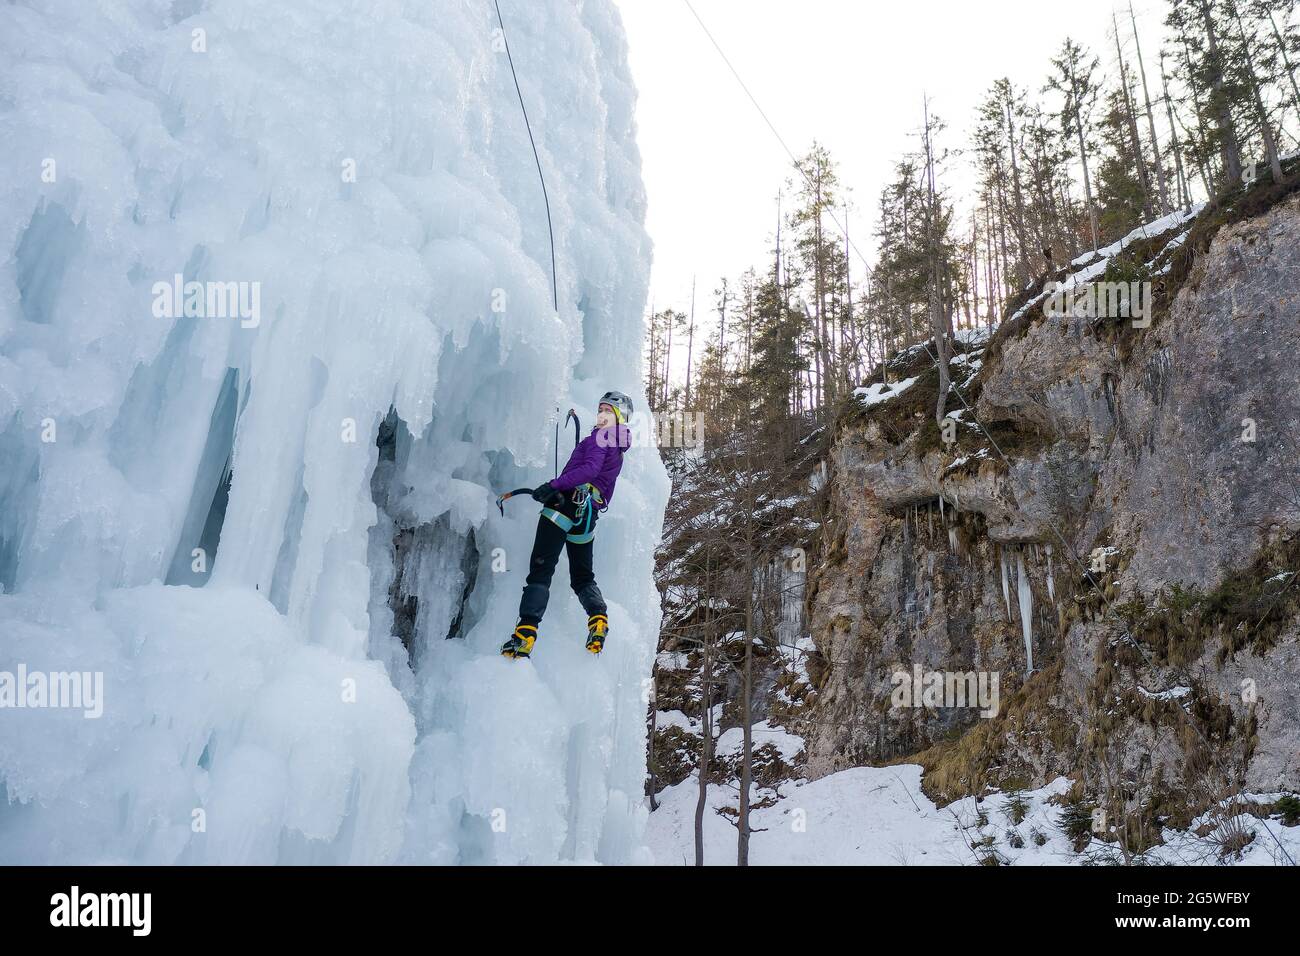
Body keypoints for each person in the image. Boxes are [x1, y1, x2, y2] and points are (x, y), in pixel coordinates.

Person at [501, 390, 634, 659]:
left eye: (608, 411)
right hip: (587, 516)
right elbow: (600, 481)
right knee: (583, 577)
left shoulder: (600, 437)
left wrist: (552, 486)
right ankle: (598, 619)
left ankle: (525, 635)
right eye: (600, 409)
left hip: (564, 506)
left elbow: (588, 471)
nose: (601, 414)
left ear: (619, 418)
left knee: (540, 571)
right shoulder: (618, 448)